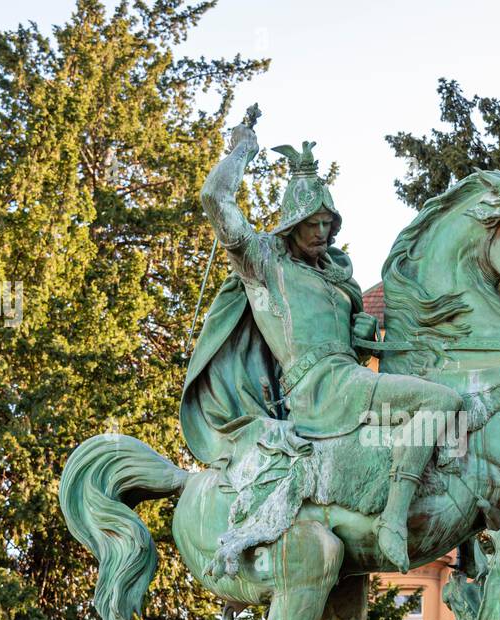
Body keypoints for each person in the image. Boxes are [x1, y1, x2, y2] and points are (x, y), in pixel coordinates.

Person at [183, 119, 461, 572]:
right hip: (318, 391)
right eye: (313, 222)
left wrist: (364, 339)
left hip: (349, 380)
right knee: (442, 402)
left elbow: (354, 348)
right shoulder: (263, 263)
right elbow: (215, 199)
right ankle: (393, 518)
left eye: (328, 223)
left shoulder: (337, 277)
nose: (322, 232)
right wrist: (241, 151)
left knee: (439, 412)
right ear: (293, 221)